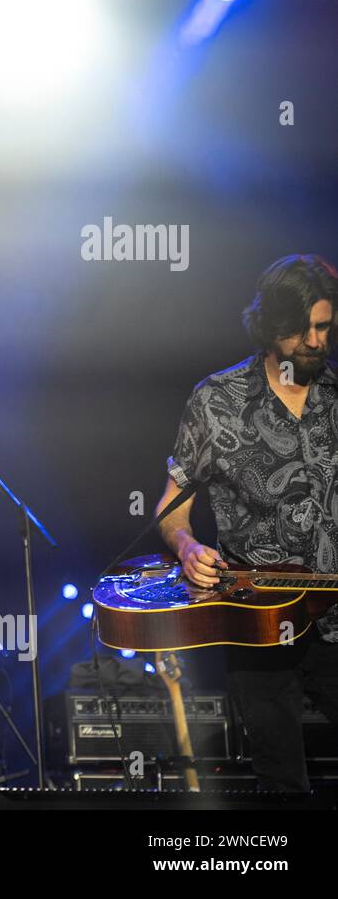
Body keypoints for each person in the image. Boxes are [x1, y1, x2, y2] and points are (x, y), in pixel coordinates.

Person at [157, 254, 338, 792]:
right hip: (257, 623)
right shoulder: (216, 401)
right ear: (268, 325)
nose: (315, 341)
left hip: (337, 617)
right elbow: (172, 507)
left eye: (325, 327)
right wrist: (187, 547)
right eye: (299, 330)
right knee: (283, 783)